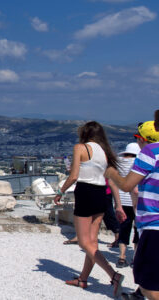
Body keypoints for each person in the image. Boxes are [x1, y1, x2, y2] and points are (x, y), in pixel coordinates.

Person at [106, 105, 159, 300]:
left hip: (158, 227)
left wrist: (111, 173)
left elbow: (127, 185)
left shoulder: (152, 151)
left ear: (156, 127)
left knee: (148, 286)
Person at [53, 121, 125, 294]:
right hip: (101, 194)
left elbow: (74, 175)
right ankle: (83, 279)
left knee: (84, 242)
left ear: (84, 133)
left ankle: (113, 275)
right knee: (92, 242)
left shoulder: (80, 148)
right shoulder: (105, 152)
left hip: (85, 192)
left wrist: (60, 192)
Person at [111, 142, 141, 268]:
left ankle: (122, 257)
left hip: (121, 201)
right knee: (138, 230)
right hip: (135, 200)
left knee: (124, 228)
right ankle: (136, 258)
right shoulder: (139, 162)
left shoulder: (118, 163)